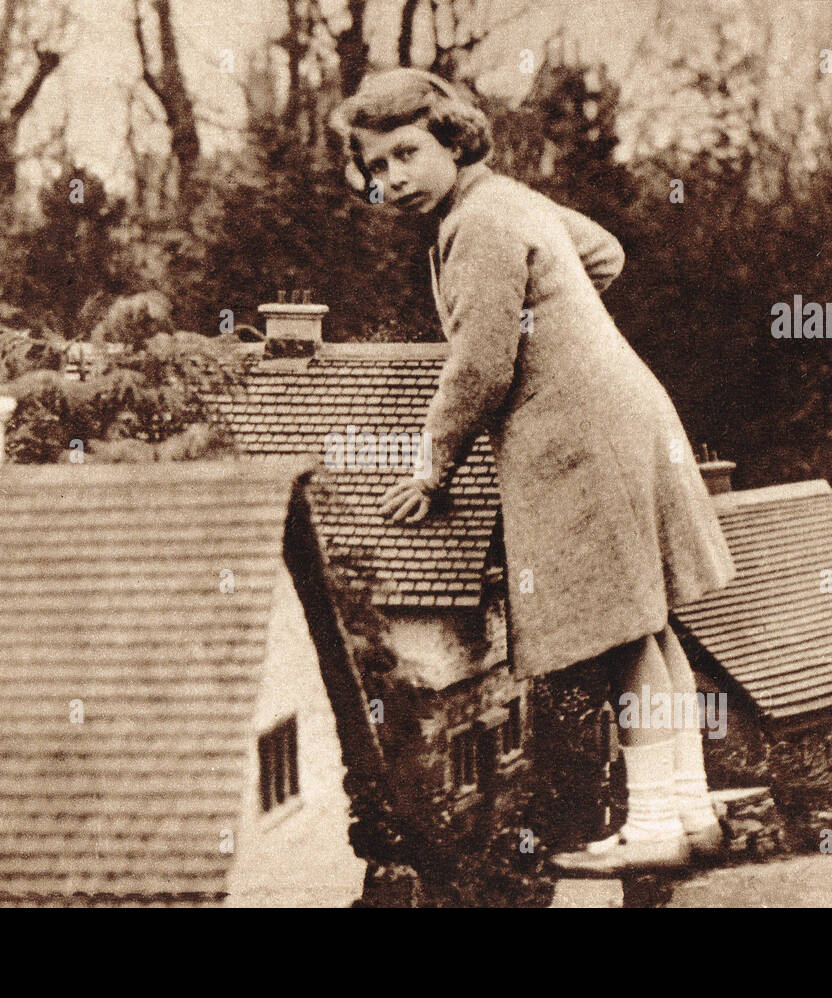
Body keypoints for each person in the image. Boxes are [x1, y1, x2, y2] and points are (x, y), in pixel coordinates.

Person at [330, 68, 737, 874]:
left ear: (452, 140)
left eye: (406, 153)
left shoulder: (477, 225)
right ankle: (687, 809)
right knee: (647, 622)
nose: (392, 179)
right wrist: (560, 312)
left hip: (580, 435)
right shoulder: (510, 201)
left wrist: (432, 469)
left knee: (623, 633)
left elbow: (479, 365)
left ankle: (655, 821)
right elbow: (605, 254)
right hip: (626, 413)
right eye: (375, 168)